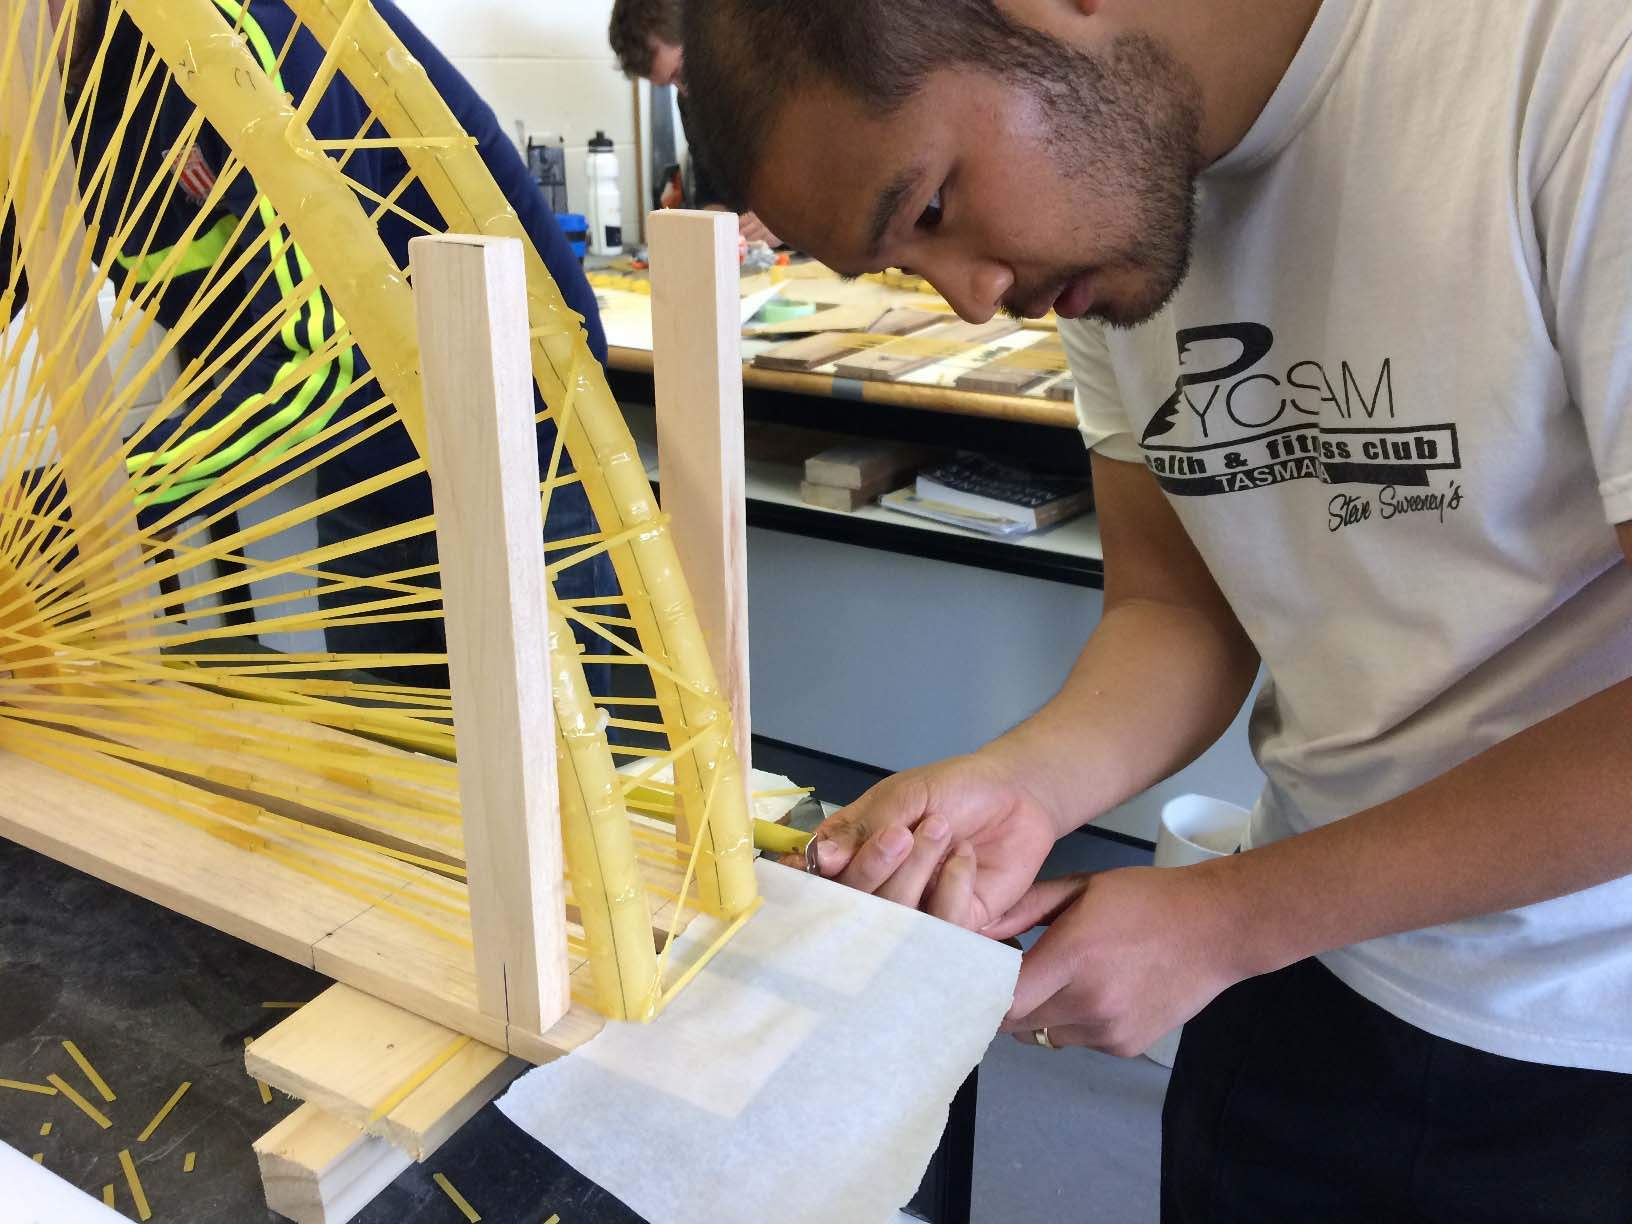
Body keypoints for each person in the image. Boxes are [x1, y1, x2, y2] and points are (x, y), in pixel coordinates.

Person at [678, 0, 1632, 1219]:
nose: (976, 299)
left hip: (1591, 1040)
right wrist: (1026, 786)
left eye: (927, 206)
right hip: (1310, 967)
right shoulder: (1115, 217)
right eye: (909, 265)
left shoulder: (1571, 63)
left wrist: (1231, 919)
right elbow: (1177, 613)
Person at [26, 0, 615, 686]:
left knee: (551, 778)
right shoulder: (43, 92)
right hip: (365, 458)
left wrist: (106, 496)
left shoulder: (251, 29)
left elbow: (317, 358)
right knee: (390, 768)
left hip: (518, 448)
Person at [606, 0, 780, 247]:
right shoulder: (691, 101)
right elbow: (710, 190)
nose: (684, 90)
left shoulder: (783, 72)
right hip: (763, 262)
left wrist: (787, 222)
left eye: (681, 72)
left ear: (703, 30)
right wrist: (713, 230)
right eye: (670, 84)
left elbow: (846, 177)